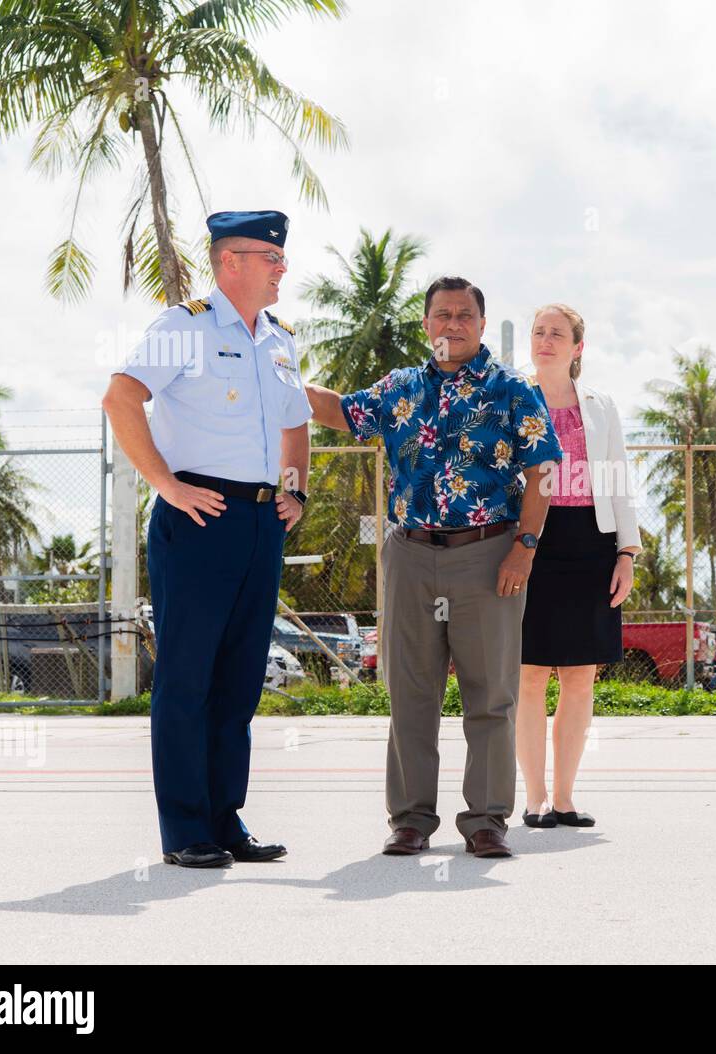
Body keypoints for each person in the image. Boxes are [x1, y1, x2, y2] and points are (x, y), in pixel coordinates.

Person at [305, 277, 562, 858]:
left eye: (464, 315)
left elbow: (543, 472)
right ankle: (411, 818)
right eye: (442, 314)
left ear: (480, 322)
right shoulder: (399, 389)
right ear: (426, 325)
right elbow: (339, 411)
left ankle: (487, 819)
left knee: (491, 694)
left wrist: (524, 547)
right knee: (410, 692)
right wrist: (272, 378)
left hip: (489, 554)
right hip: (411, 554)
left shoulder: (512, 390)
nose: (452, 324)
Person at [102, 210, 311, 868]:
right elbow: (119, 397)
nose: (282, 268)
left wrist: (295, 489)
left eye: (282, 258)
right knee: (187, 678)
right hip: (198, 516)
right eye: (270, 257)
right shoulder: (182, 326)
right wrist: (166, 485)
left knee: (240, 680)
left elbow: (296, 419)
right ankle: (186, 829)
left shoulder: (278, 340)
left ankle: (226, 820)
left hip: (258, 522)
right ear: (231, 262)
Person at [516, 304, 641, 829]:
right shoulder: (511, 397)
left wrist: (627, 554)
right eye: (539, 332)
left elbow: (617, 481)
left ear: (577, 347)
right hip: (529, 540)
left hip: (591, 541)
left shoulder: (601, 406)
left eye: (557, 334)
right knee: (527, 676)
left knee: (580, 677)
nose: (545, 340)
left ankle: (565, 798)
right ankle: (534, 799)